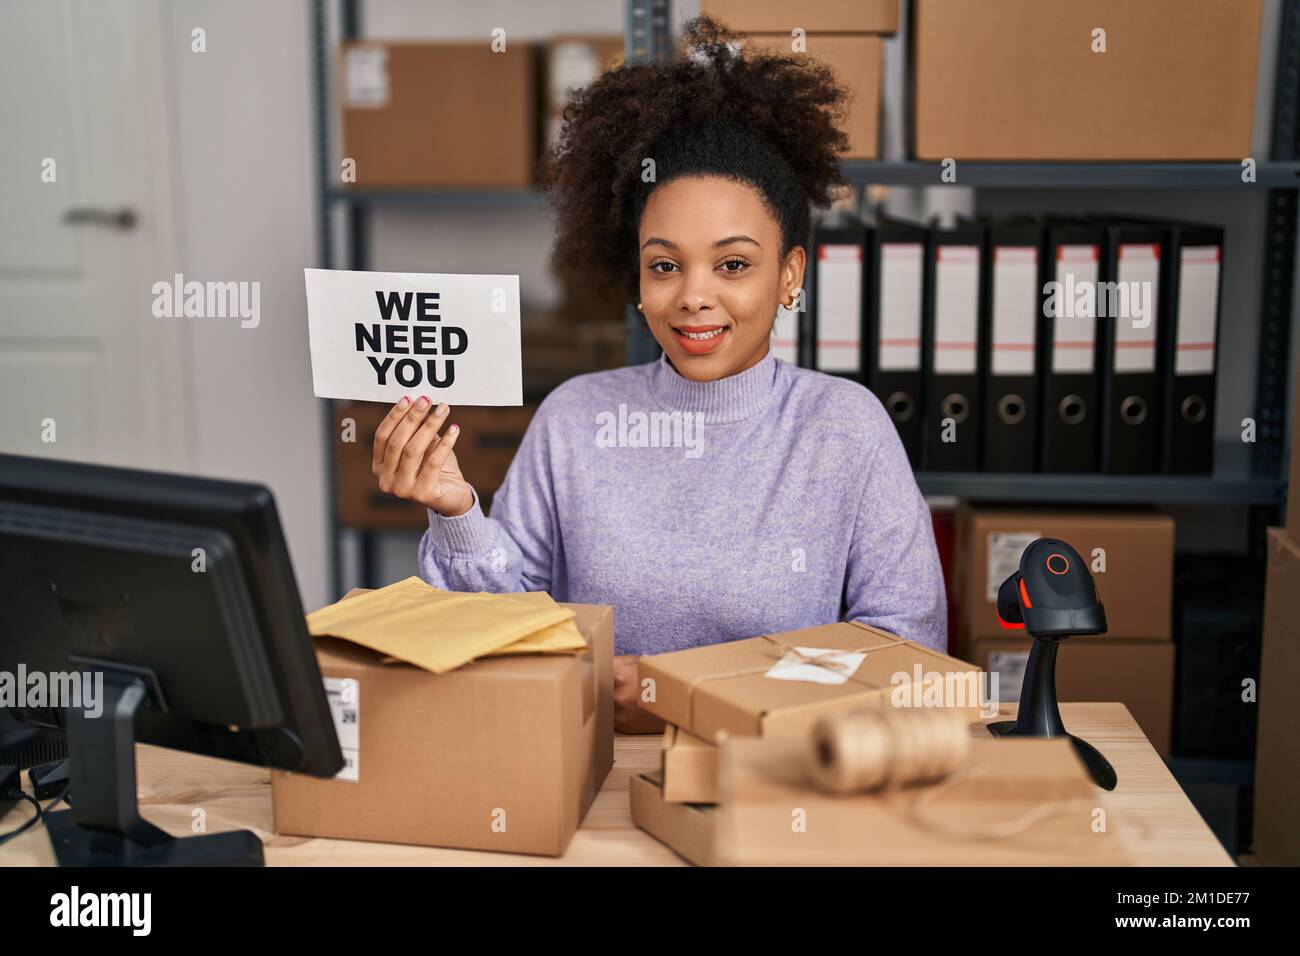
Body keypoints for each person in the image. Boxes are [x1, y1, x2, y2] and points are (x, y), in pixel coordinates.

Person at [370, 17, 947, 733]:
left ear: (790, 274)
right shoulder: (577, 417)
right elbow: (492, 637)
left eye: (733, 264)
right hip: (591, 783)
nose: (693, 296)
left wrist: (679, 689)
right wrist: (456, 512)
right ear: (637, 280)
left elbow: (909, 653)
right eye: (665, 265)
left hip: (778, 786)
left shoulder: (844, 428)